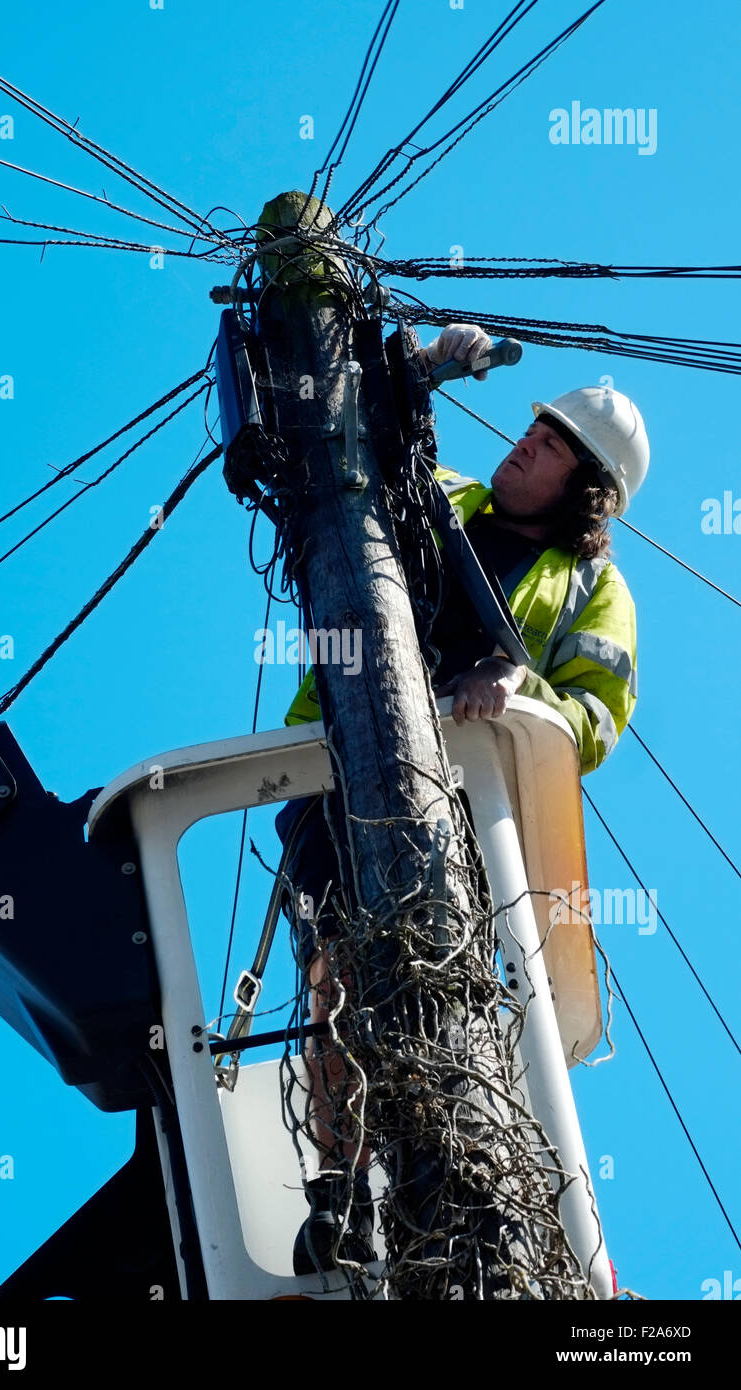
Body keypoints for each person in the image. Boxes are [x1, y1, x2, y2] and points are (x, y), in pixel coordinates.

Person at [275, 322, 650, 1274]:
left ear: (587, 490)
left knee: (436, 989)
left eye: (555, 445)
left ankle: (456, 1200)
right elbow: (369, 448)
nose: (528, 443)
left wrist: (523, 687)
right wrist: (419, 362)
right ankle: (342, 1192)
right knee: (333, 980)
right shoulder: (445, 500)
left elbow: (597, 722)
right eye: (534, 430)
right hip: (335, 779)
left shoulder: (593, 590)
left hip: (463, 821)